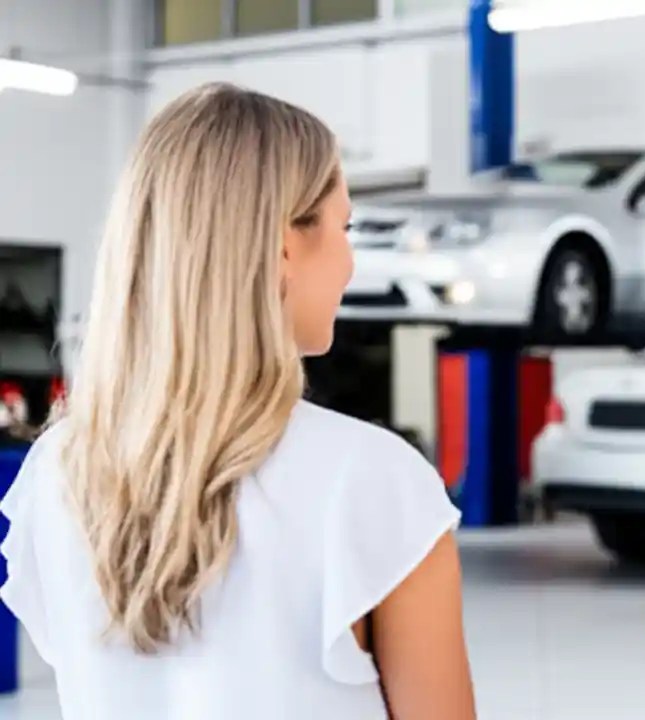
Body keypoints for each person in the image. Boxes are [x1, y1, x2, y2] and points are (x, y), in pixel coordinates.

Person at [0, 83, 477, 720]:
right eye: (345, 228)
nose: (350, 263)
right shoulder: (373, 482)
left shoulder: (57, 471)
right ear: (284, 243)